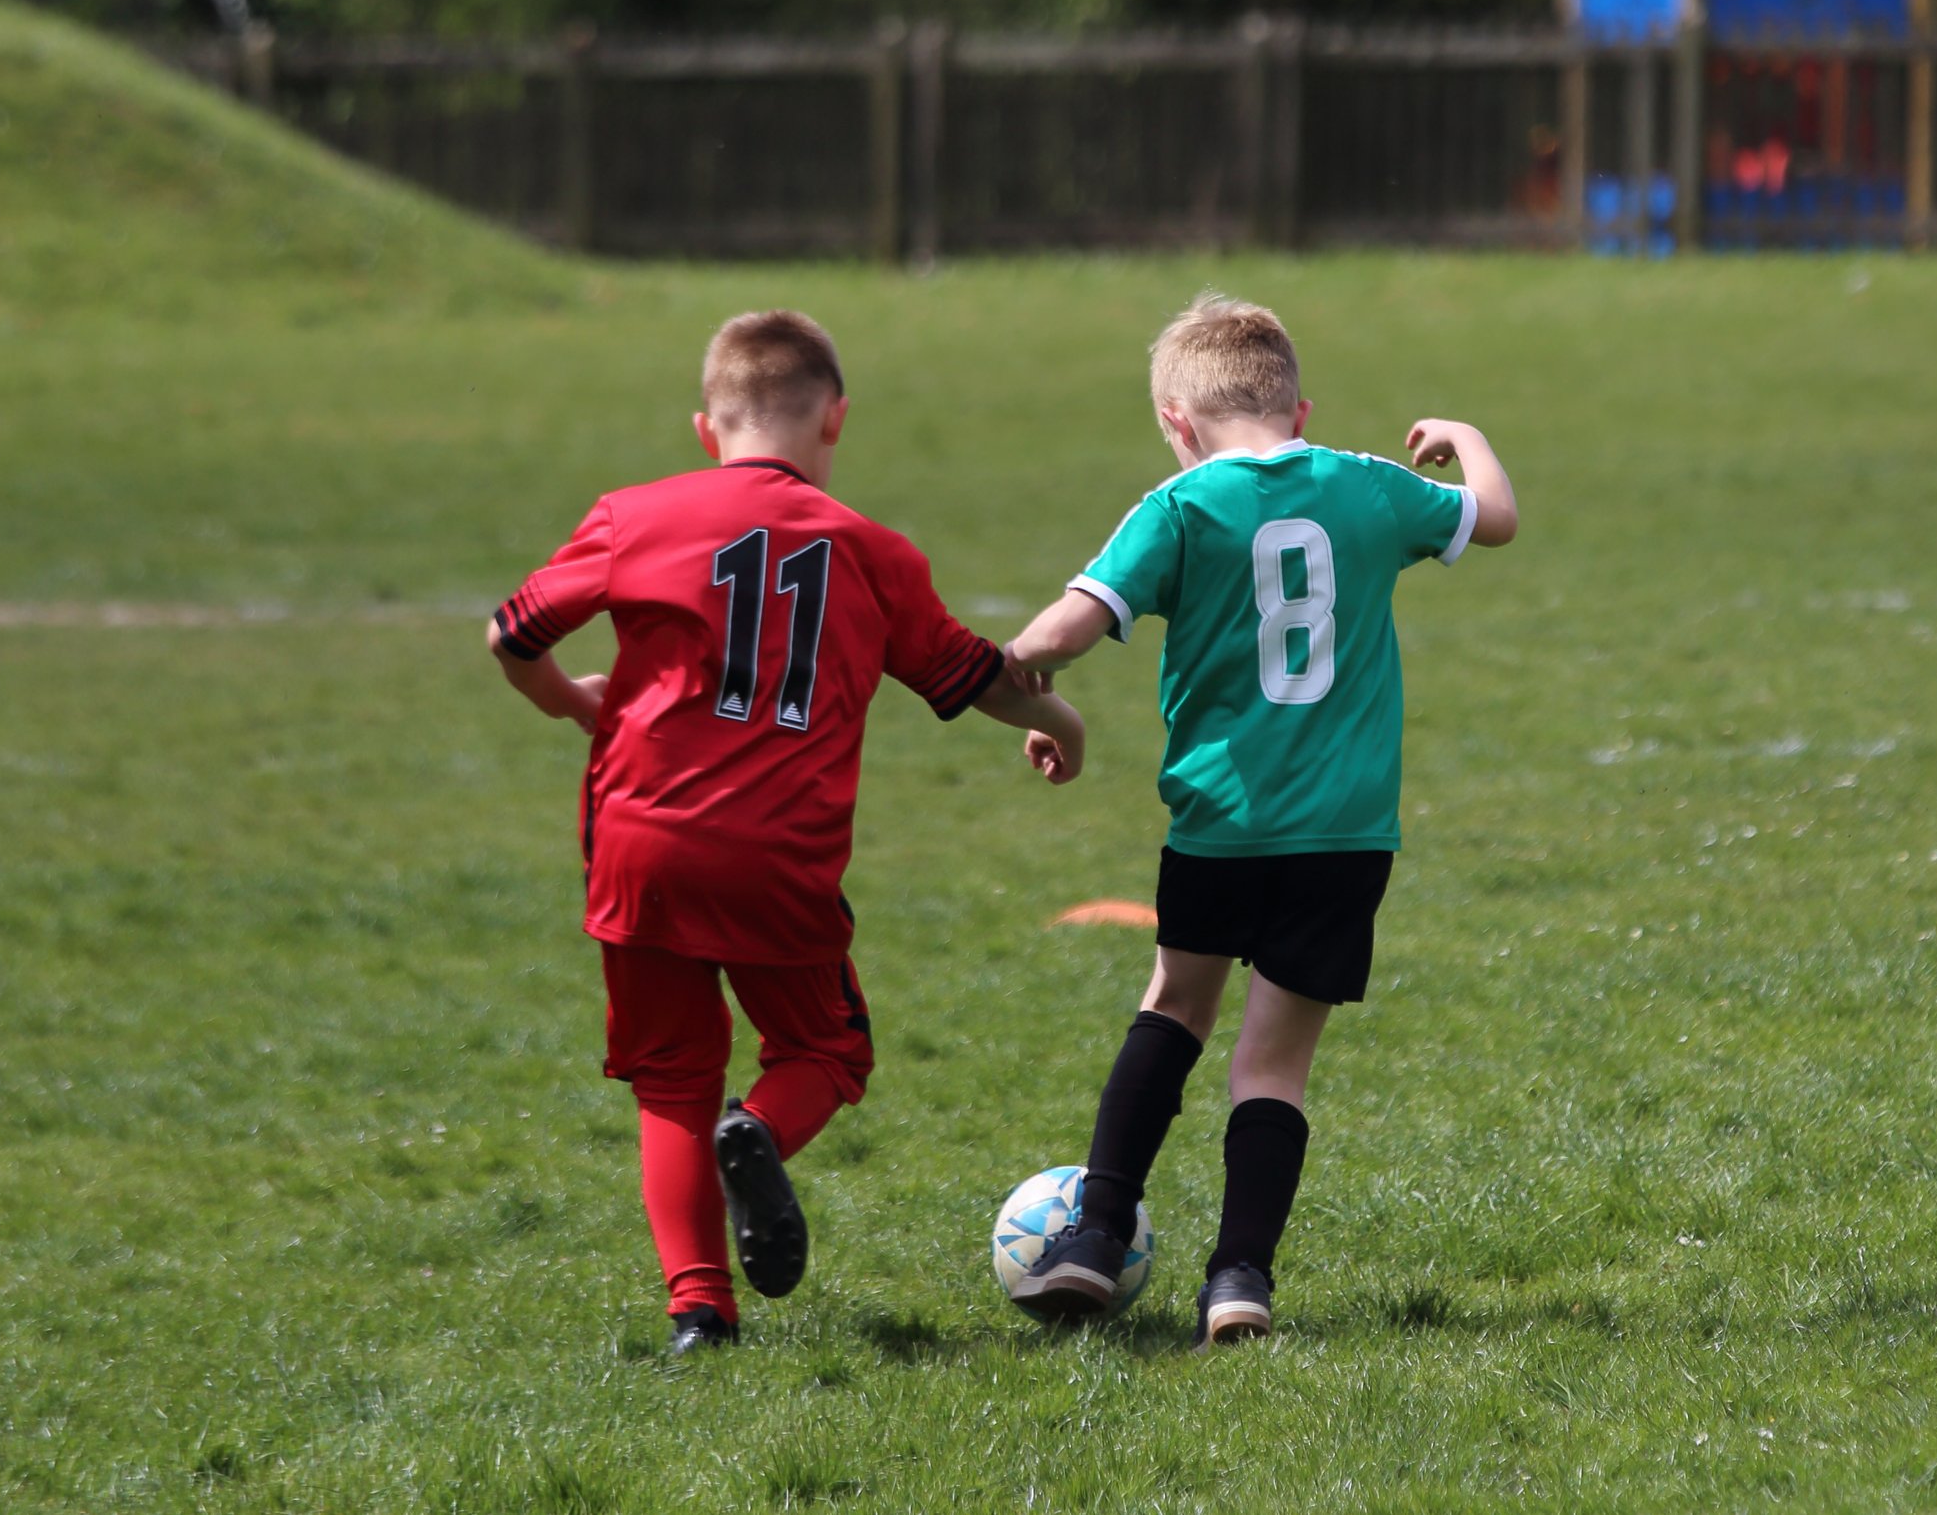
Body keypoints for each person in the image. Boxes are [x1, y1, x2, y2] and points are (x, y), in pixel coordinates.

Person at [488, 309, 1085, 1355]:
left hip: (641, 839)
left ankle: (697, 1316)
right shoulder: (870, 552)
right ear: (835, 418)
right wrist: (1058, 718)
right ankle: (756, 1132)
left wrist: (568, 704)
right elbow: (969, 675)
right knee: (824, 1046)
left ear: (705, 427)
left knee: (672, 1072)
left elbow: (515, 632)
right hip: (777, 855)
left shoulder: (633, 515)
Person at [997, 291, 1517, 1348]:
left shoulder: (1178, 508)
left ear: (1176, 423)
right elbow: (1494, 517)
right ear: (1300, 409)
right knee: (1271, 1067)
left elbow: (1066, 624)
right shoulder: (1371, 486)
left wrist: (1034, 693)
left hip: (1219, 826)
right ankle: (1239, 1281)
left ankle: (1093, 1238)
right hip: (1346, 835)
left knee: (1173, 1009)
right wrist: (1462, 439)